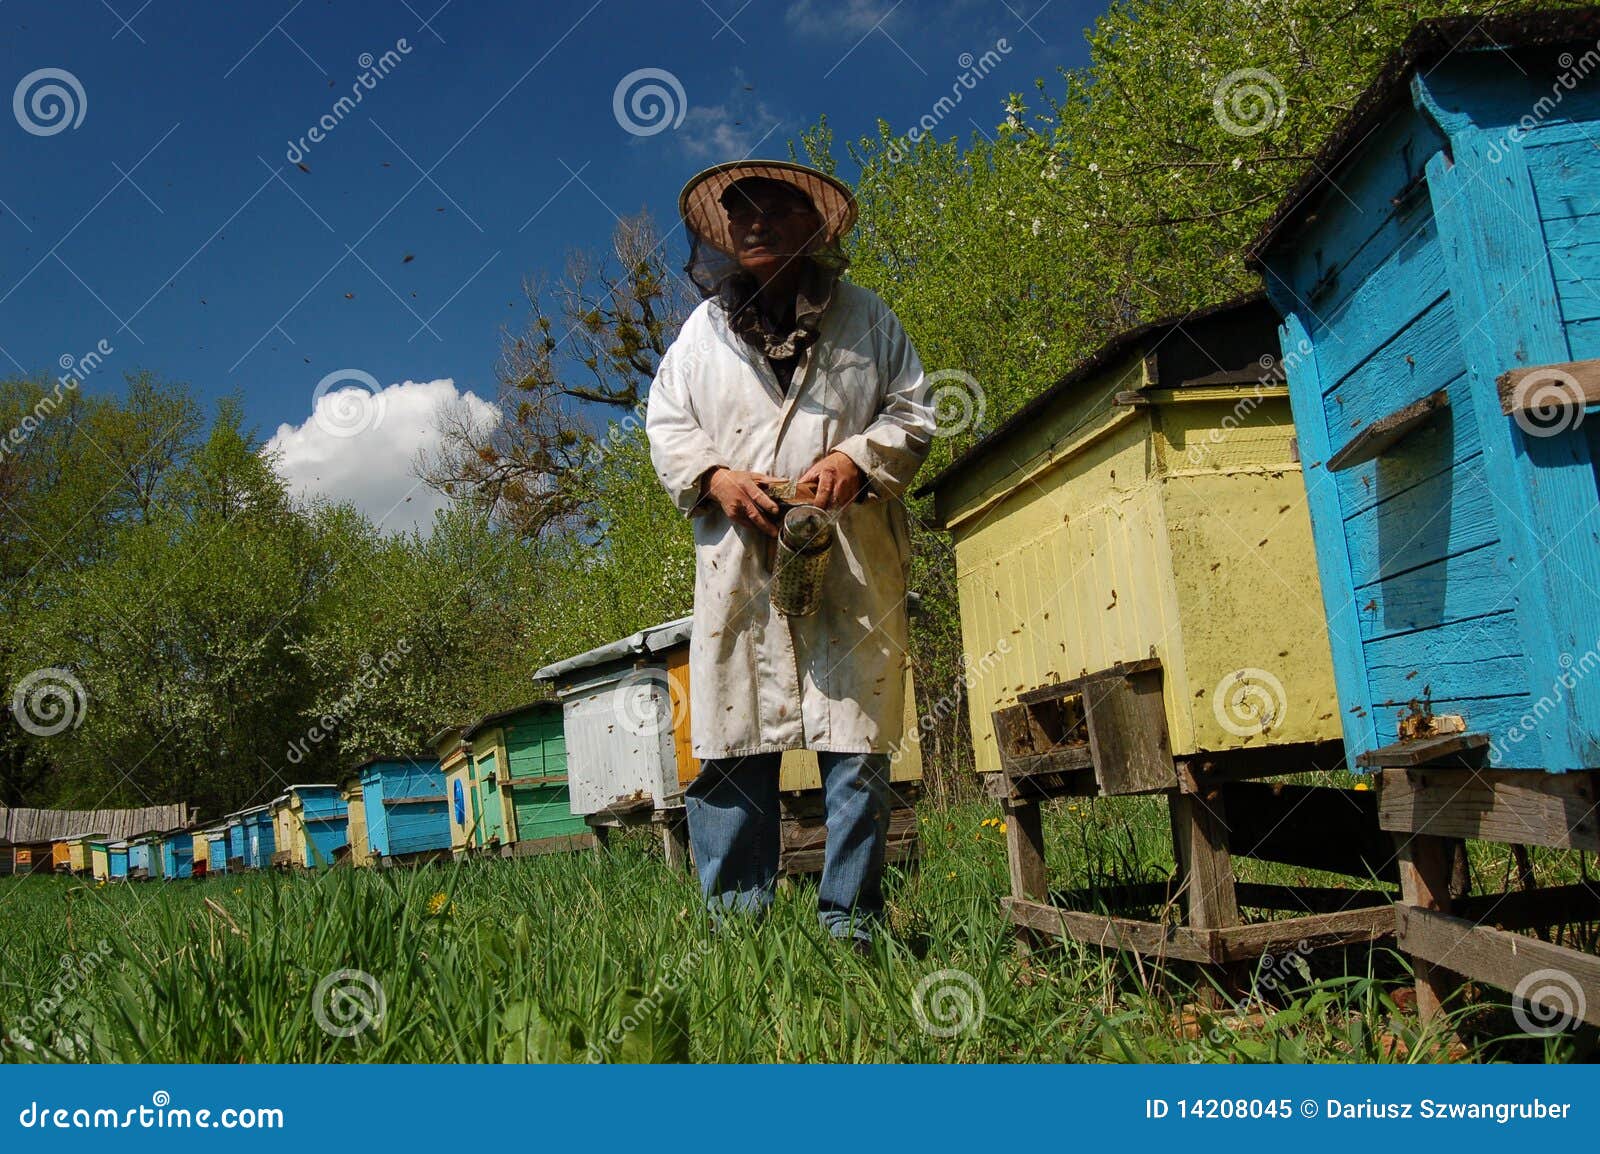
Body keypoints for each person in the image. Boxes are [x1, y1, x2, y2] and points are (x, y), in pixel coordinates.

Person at [645, 160, 935, 947]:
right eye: (739, 212)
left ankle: (852, 930)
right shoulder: (700, 334)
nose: (754, 223)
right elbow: (666, 424)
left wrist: (856, 460)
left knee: (856, 738)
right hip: (740, 561)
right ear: (720, 234)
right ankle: (737, 935)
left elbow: (915, 411)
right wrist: (715, 478)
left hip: (850, 552)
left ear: (814, 226)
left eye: (774, 208)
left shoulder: (868, 318)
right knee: (734, 740)